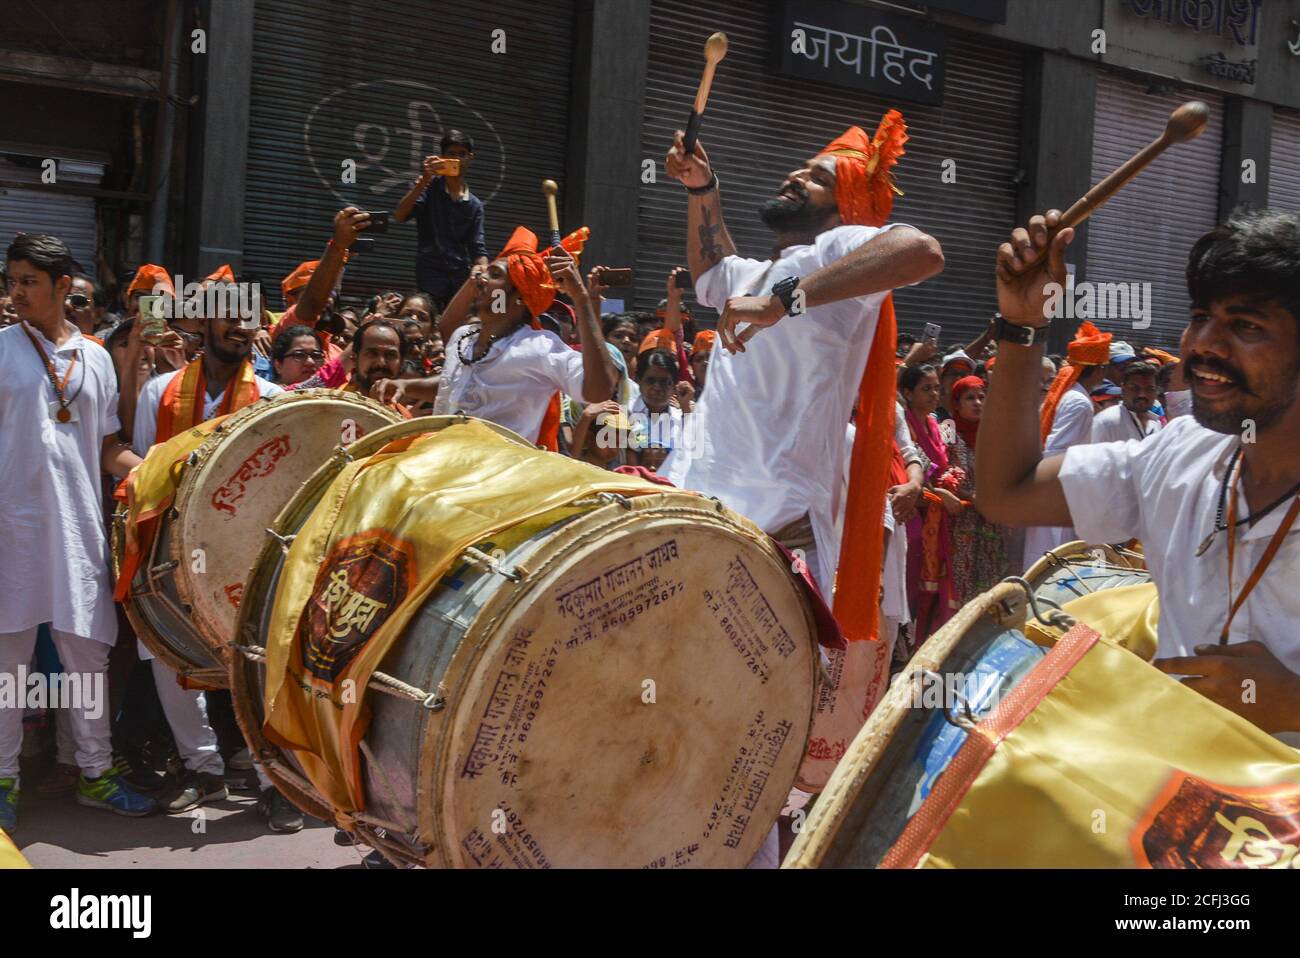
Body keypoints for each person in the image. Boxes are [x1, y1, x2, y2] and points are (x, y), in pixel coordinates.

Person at [980, 207, 1300, 743]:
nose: (1205, 345)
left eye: (1245, 326)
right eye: (1201, 317)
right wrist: (1022, 328)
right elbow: (1008, 492)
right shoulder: (1177, 455)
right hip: (1175, 805)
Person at [0, 233, 155, 831]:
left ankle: (96, 772)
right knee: (9, 661)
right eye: (11, 280)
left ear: (65, 287)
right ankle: (4, 780)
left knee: (86, 655)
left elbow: (109, 448)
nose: (16, 292)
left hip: (77, 530)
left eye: (28, 281)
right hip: (11, 530)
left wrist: (163, 474)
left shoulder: (94, 357)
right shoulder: (3, 349)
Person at [378, 227, 616, 448]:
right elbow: (453, 386)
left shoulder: (539, 347)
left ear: (517, 297)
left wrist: (582, 299)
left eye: (494, 275)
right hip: (441, 461)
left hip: (497, 481)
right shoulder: (464, 336)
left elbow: (599, 391)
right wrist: (405, 386)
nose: (481, 280)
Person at [1020, 320, 1110, 570]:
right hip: (1060, 491)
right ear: (1100, 370)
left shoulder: (1073, 397)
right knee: (1052, 561)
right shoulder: (1079, 402)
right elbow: (1056, 450)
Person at [391, 129, 490, 309]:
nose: (457, 159)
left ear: (470, 158)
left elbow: (478, 248)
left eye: (462, 154)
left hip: (459, 280)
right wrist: (422, 182)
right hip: (429, 277)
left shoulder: (474, 205)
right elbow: (399, 216)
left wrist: (481, 268)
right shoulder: (428, 189)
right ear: (442, 157)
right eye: (452, 154)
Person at [899, 364, 958, 640]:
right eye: (926, 389)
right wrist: (940, 495)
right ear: (907, 393)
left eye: (936, 387)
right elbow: (916, 471)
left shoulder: (937, 423)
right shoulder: (905, 426)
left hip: (938, 517)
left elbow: (948, 461)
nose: (935, 394)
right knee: (912, 581)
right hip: (914, 515)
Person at [944, 375, 1008, 604]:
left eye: (982, 397)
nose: (977, 403)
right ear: (957, 403)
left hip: (991, 521)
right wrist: (969, 495)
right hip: (961, 522)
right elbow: (943, 470)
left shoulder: (993, 434)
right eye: (970, 398)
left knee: (991, 584)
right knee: (961, 583)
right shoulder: (948, 430)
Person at [1092, 359, 1161, 443]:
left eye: (1149, 389)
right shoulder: (1106, 422)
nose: (1142, 395)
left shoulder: (1156, 424)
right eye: (1135, 388)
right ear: (1123, 389)